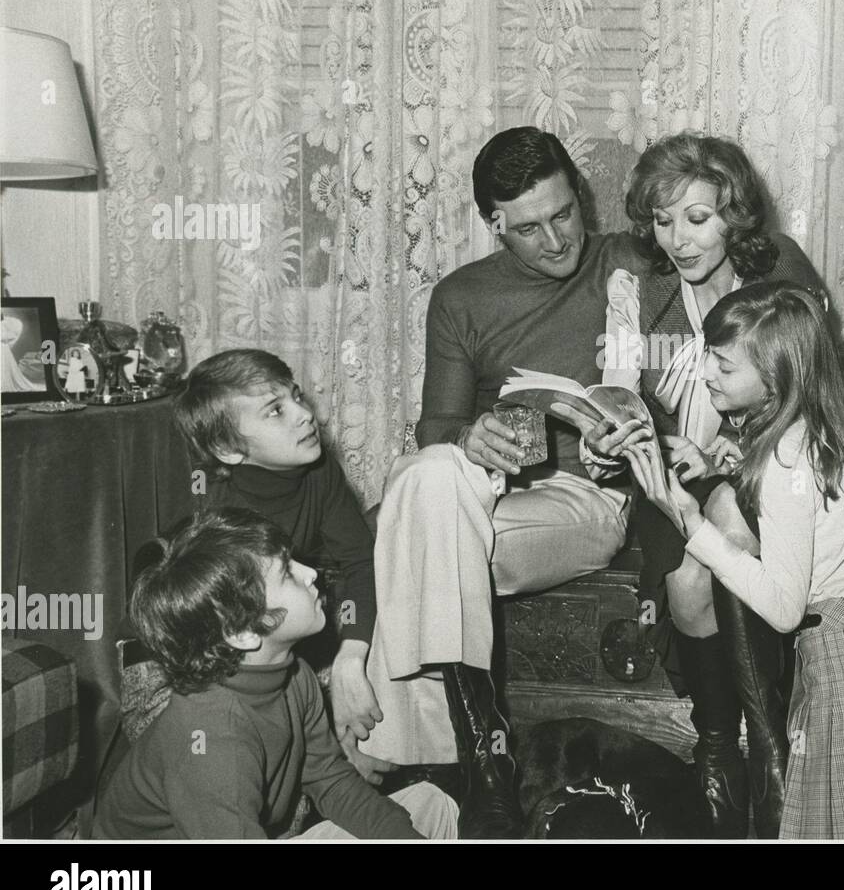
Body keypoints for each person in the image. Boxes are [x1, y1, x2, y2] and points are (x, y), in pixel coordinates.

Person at [359, 127, 648, 837]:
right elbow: (436, 433)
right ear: (494, 224)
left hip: (582, 500)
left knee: (411, 544)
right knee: (428, 475)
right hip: (480, 498)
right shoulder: (461, 296)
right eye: (528, 228)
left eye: (564, 214)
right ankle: (484, 761)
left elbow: (751, 272)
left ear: (580, 197)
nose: (555, 240)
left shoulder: (630, 262)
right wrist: (467, 437)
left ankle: (422, 760)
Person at [625, 282, 844, 839]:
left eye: (725, 366)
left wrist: (688, 522)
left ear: (776, 378)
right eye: (708, 356)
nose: (708, 374)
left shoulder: (787, 458)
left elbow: (784, 608)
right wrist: (721, 457)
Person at [597, 133, 826, 837]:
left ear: (733, 213)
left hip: (774, 465)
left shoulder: (780, 270)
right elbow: (616, 388)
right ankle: (726, 745)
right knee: (692, 581)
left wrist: (727, 463)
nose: (679, 240)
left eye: (697, 220)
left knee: (720, 554)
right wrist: (607, 429)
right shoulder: (636, 287)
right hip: (673, 479)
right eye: (663, 222)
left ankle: (759, 746)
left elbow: (808, 391)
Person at [93, 508, 457, 839]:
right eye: (287, 573)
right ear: (244, 632)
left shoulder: (294, 675)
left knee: (433, 805)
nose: (311, 573)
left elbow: (329, 779)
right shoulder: (214, 742)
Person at [172, 349, 391, 786]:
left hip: (280, 615)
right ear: (228, 449)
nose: (305, 416)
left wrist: (352, 656)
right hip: (208, 647)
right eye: (275, 411)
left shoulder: (316, 469)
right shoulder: (219, 514)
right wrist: (327, 739)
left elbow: (358, 560)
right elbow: (237, 654)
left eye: (295, 397)